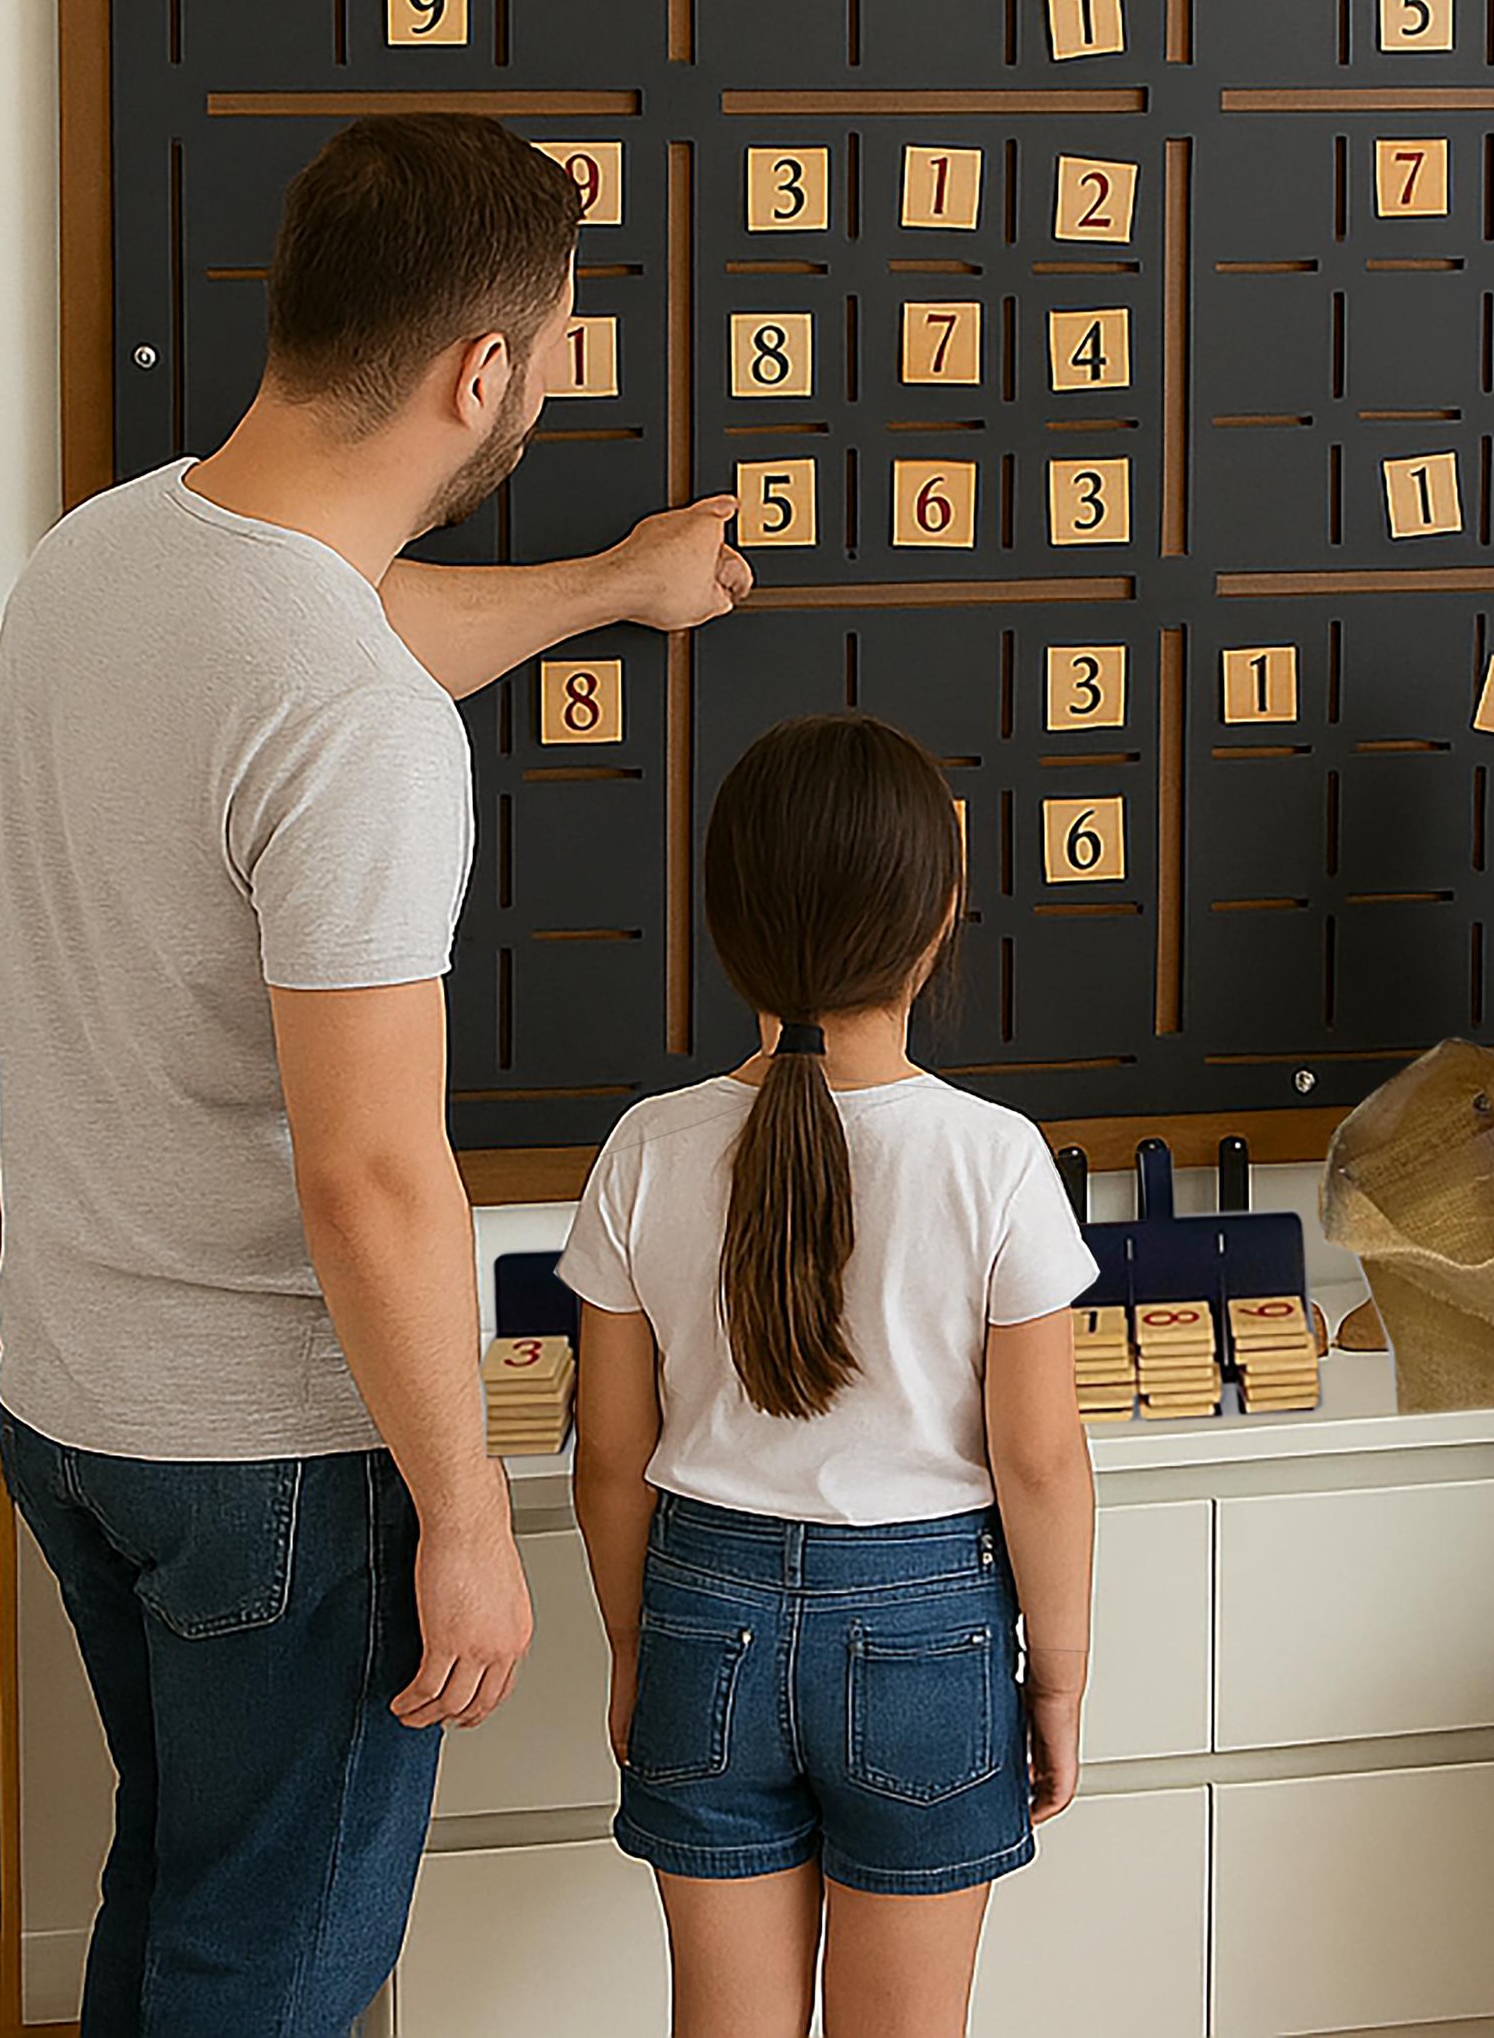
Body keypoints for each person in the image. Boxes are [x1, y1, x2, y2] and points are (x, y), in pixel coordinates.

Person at [0, 114, 750, 2038]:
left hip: (75, 1401)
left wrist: (605, 585)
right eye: (562, 341)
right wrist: (470, 1518)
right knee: (273, 1973)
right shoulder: (354, 729)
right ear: (477, 372)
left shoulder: (104, 559)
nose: (562, 376)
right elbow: (377, 1178)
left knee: (176, 1903)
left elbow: (352, 634)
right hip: (278, 1459)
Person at [560, 713, 1099, 2038]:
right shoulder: (996, 1158)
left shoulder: (646, 1148)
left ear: (729, 925)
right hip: (929, 1633)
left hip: (702, 1615)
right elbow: (1038, 1460)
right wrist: (1060, 1680)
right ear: (937, 926)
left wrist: (633, 1644)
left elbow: (609, 1454)